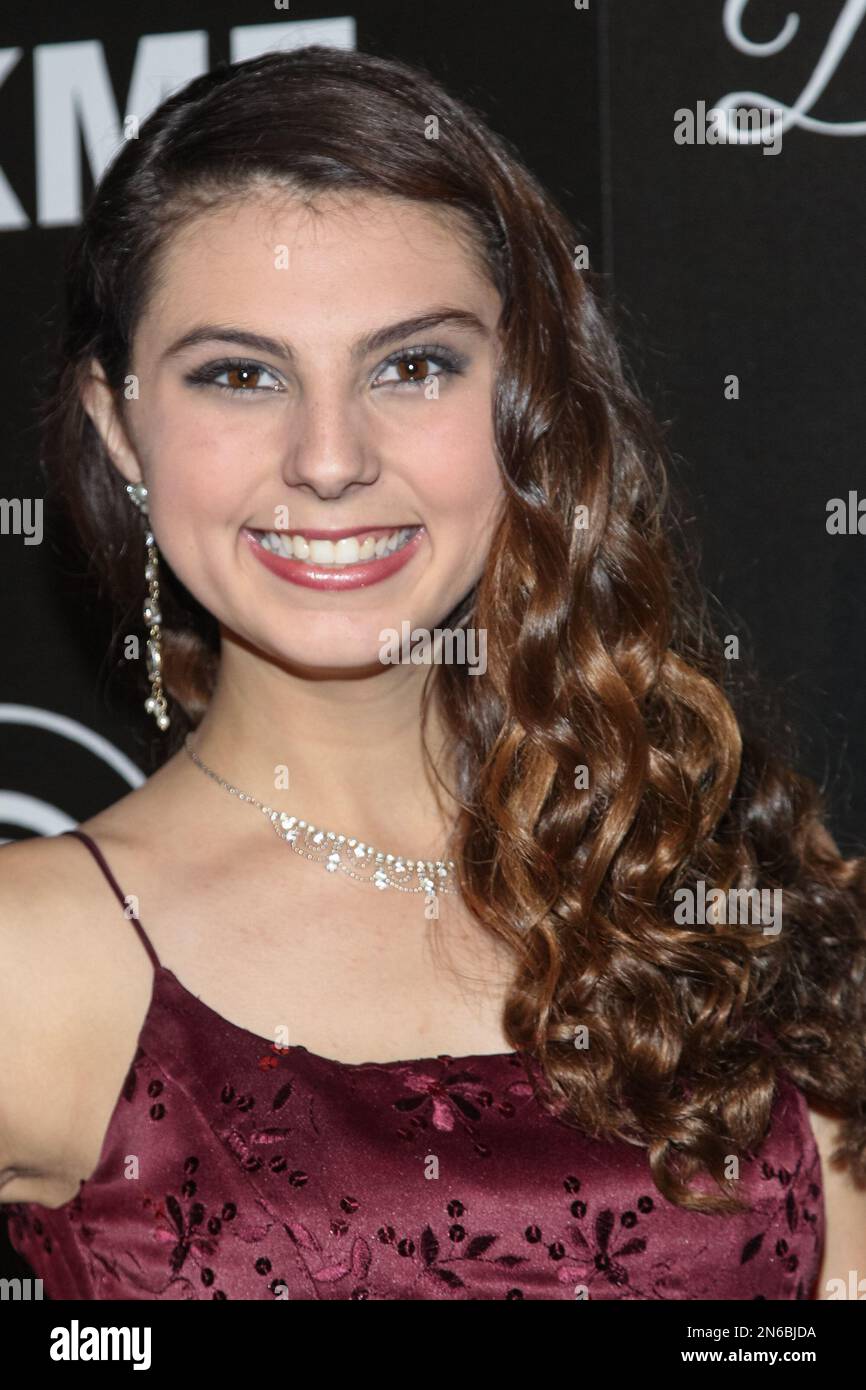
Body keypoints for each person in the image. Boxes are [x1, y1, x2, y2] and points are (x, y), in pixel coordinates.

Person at [1, 45, 864, 1302]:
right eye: (238, 376)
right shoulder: (36, 956)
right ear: (120, 423)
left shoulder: (726, 890)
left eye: (412, 365)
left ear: (527, 401)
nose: (331, 457)